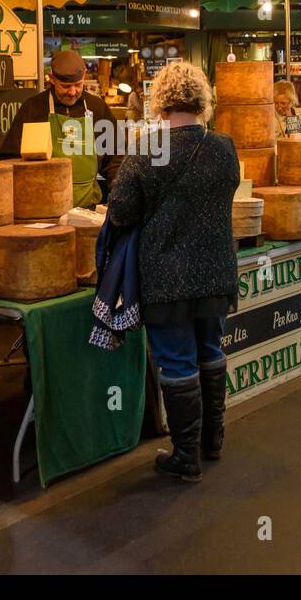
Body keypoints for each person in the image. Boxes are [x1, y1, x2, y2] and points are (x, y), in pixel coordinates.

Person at [106, 60, 239, 483]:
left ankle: (186, 456)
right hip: (217, 271)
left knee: (177, 362)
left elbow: (121, 211)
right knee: (211, 351)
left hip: (167, 278)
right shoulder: (224, 148)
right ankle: (212, 442)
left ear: (160, 102)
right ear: (203, 101)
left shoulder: (148, 151)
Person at [0, 49, 122, 207]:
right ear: (52, 79)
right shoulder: (33, 109)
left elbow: (116, 158)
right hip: (42, 208)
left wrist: (119, 193)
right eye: (65, 86)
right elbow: (8, 160)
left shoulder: (97, 108)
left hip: (87, 208)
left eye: (78, 85)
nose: (72, 92)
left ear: (84, 75)